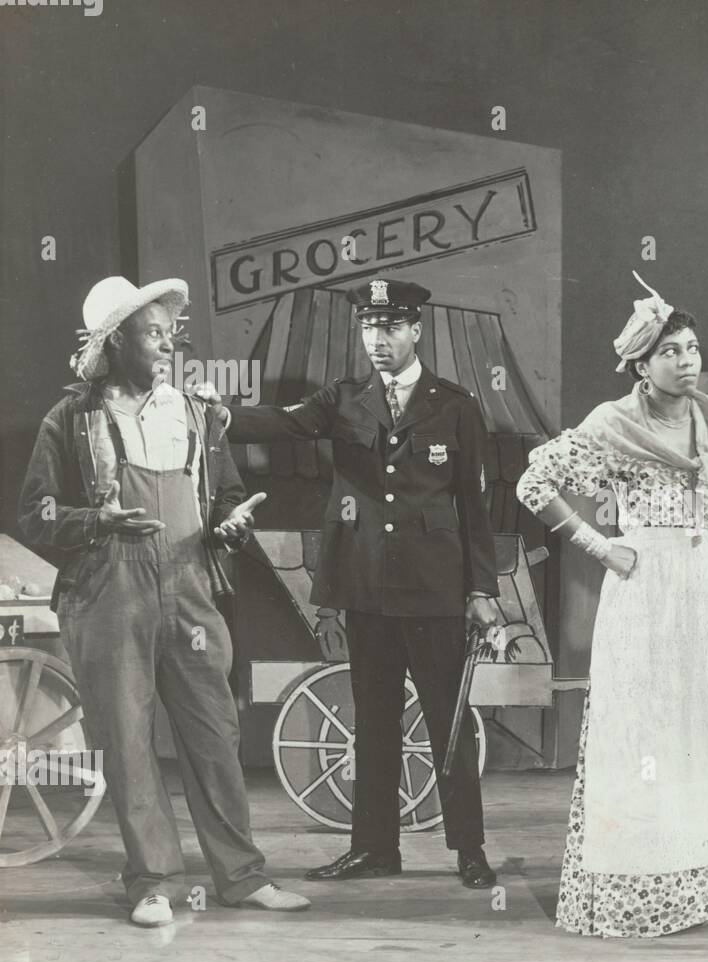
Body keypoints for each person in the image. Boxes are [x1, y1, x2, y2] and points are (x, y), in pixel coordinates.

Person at [515, 275, 708, 937]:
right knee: (648, 734)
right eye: (671, 350)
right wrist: (598, 543)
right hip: (644, 587)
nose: (687, 360)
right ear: (640, 364)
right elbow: (535, 481)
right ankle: (650, 884)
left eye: (693, 347)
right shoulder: (611, 422)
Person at [19, 276, 310, 927]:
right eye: (152, 333)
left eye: (169, 332)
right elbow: (36, 514)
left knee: (213, 732)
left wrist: (231, 524)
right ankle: (152, 880)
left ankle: (242, 874)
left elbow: (226, 494)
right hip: (108, 593)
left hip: (191, 586)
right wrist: (98, 522)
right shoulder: (68, 421)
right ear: (115, 341)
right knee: (125, 738)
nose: (166, 343)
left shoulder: (195, 413)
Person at [195, 277, 504, 889]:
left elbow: (474, 502)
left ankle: (469, 848)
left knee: (448, 721)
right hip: (366, 586)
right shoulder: (344, 398)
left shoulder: (456, 404)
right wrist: (219, 414)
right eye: (369, 327)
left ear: (417, 330)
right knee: (375, 721)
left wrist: (481, 590)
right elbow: (281, 424)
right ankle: (375, 849)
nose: (378, 339)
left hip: (435, 589)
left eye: (390, 327)